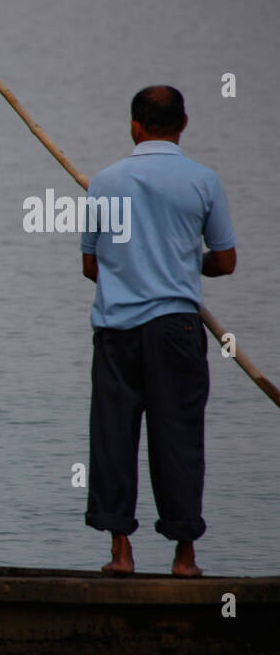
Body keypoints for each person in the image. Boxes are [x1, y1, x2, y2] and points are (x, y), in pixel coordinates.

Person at [81, 85, 237, 577]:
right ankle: (185, 558)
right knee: (179, 436)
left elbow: (91, 266)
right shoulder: (203, 181)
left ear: (135, 126)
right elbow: (226, 262)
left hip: (118, 330)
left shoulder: (105, 182)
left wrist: (133, 267)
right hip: (177, 328)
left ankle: (121, 553)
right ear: (183, 125)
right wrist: (187, 262)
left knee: (113, 437)